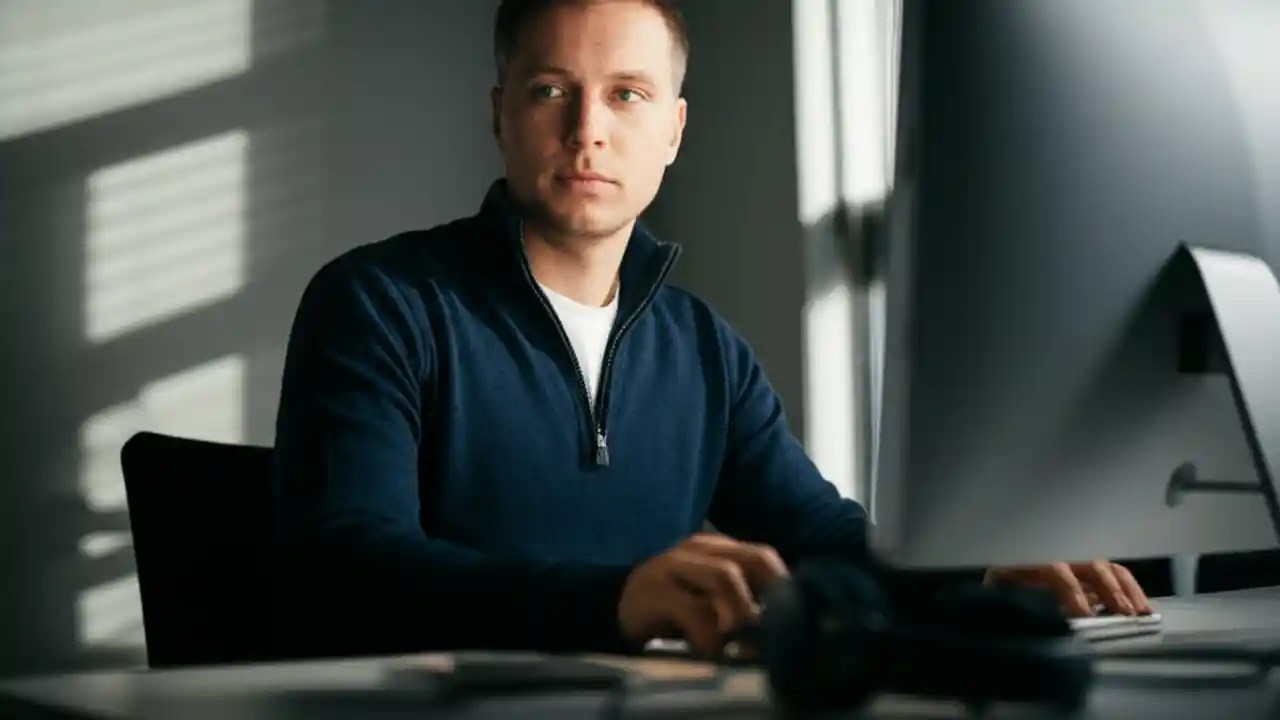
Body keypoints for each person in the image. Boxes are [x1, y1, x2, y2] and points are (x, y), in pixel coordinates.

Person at [269, 0, 1151, 661]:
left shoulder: (702, 348)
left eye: (627, 95)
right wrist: (617, 602)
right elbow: (356, 569)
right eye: (551, 92)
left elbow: (825, 544)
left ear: (673, 130)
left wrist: (979, 576)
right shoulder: (378, 302)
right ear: (500, 114)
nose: (588, 132)